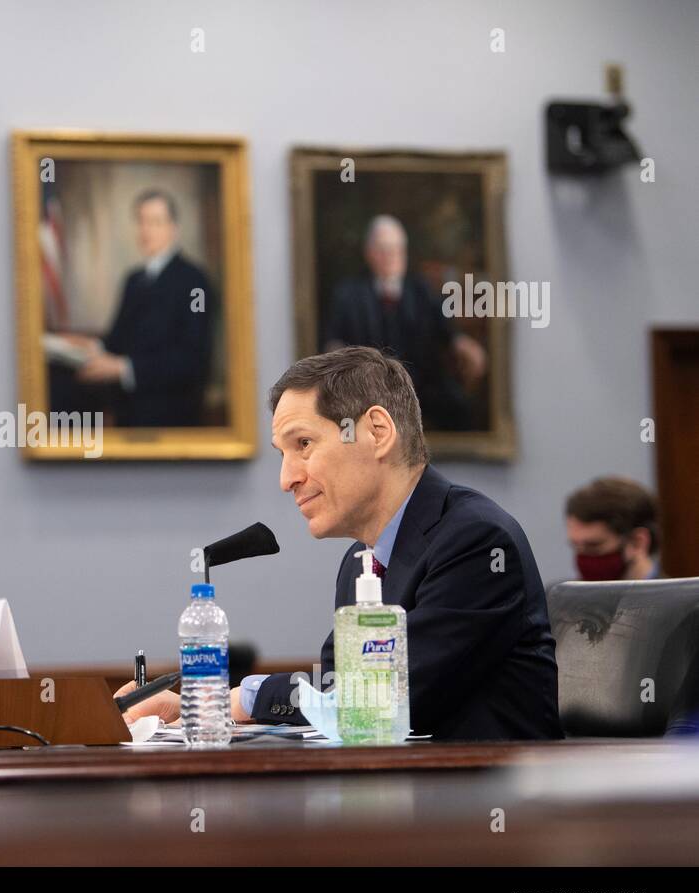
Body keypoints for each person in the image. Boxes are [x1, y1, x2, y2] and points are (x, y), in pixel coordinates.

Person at [118, 346, 562, 741]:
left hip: (487, 818)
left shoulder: (478, 543)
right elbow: (333, 695)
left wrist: (244, 699)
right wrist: (202, 711)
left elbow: (378, 700)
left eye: (304, 444)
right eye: (282, 454)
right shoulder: (359, 563)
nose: (286, 478)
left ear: (376, 432)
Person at [62, 188, 215, 427]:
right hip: (127, 412)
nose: (146, 230)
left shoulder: (195, 283)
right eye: (141, 221)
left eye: (155, 222)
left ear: (173, 228)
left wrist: (125, 369)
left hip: (170, 416)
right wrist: (92, 346)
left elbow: (192, 360)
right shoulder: (134, 280)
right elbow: (118, 340)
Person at [324, 215, 485, 432]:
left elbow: (446, 330)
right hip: (368, 389)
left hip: (421, 386)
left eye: (397, 250)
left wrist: (462, 343)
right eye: (384, 249)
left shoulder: (420, 290)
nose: (392, 256)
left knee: (460, 410)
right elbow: (333, 341)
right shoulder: (349, 295)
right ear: (370, 253)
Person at [565, 476, 663, 580]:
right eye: (575, 546)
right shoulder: (558, 595)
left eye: (593, 546)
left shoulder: (676, 596)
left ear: (637, 543)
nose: (582, 560)